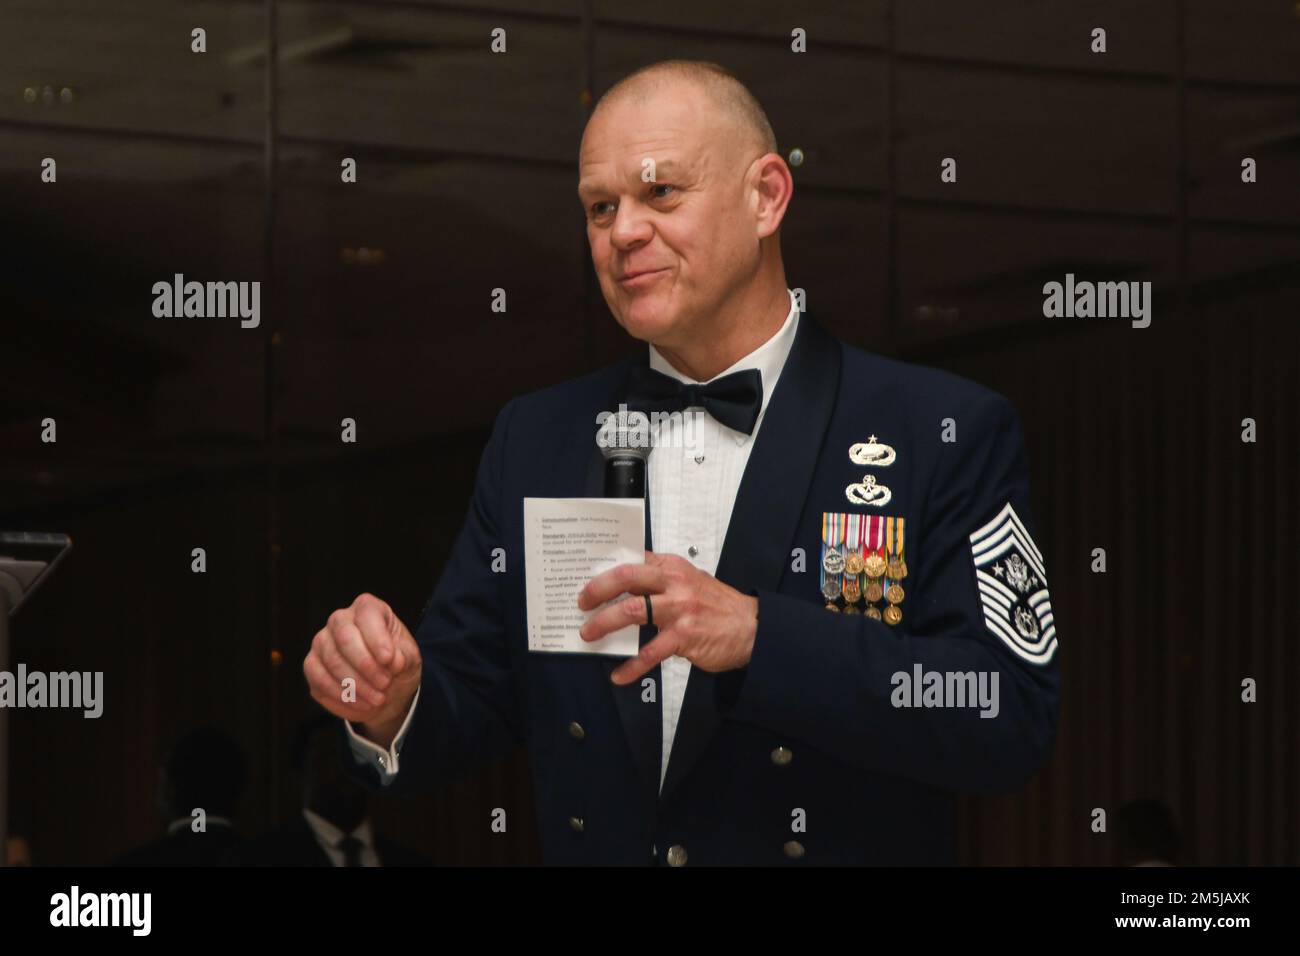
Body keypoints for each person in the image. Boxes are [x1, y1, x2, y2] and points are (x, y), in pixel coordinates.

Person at [303, 59, 1060, 865]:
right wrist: (390, 703)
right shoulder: (541, 438)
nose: (623, 230)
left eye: (660, 192)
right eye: (601, 207)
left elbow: (1006, 714)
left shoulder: (937, 427)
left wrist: (761, 637)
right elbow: (471, 700)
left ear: (766, 196)